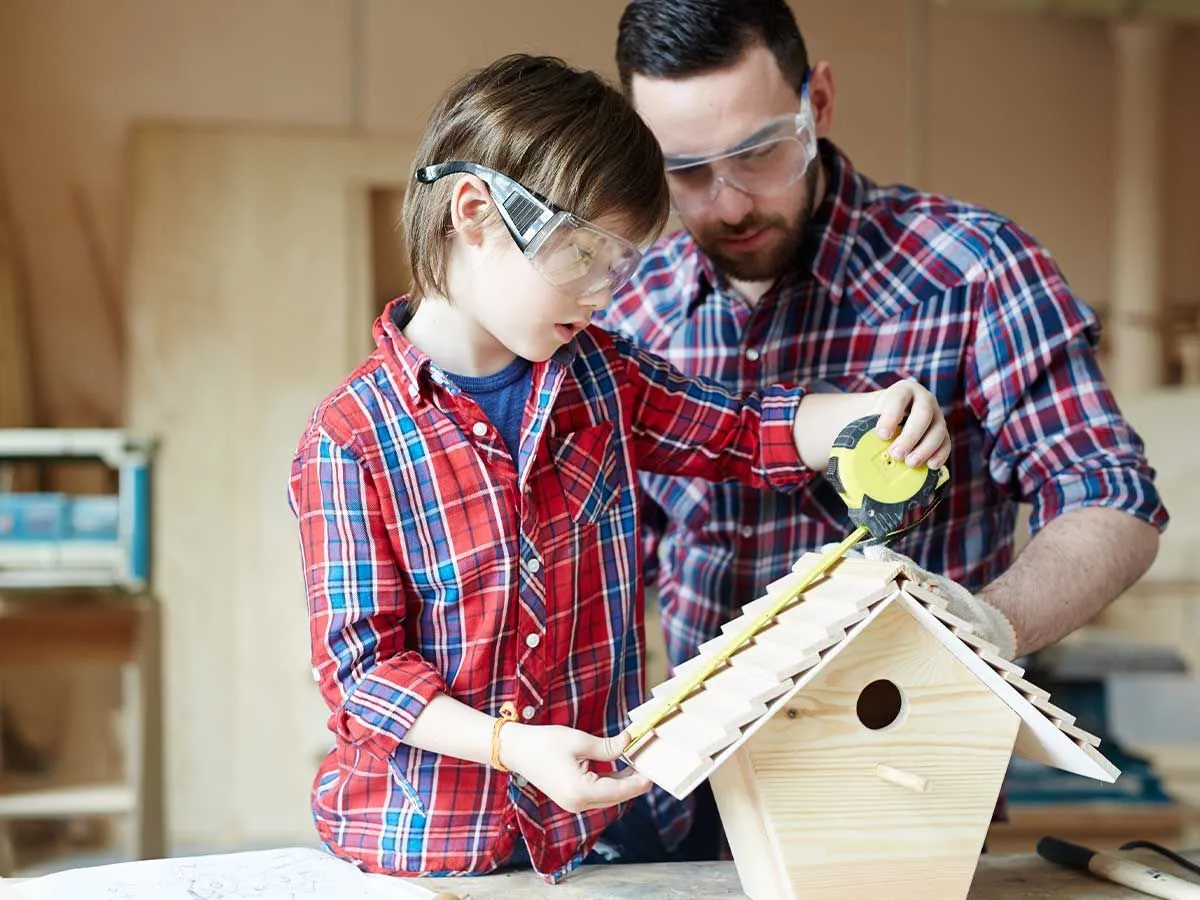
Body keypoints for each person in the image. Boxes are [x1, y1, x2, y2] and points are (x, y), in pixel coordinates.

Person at [287, 53, 950, 883]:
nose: (604, 292)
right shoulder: (350, 439)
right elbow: (363, 671)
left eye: (621, 265)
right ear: (475, 213)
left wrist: (872, 414)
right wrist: (512, 746)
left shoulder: (603, 377)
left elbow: (739, 430)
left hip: (580, 842)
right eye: (582, 255)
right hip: (420, 848)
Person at [599, 0, 1169, 860]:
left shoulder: (974, 272)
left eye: (759, 152)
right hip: (694, 800)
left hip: (911, 790)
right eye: (682, 169)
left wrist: (986, 624)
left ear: (817, 103)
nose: (728, 202)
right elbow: (606, 553)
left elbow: (1112, 498)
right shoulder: (627, 304)